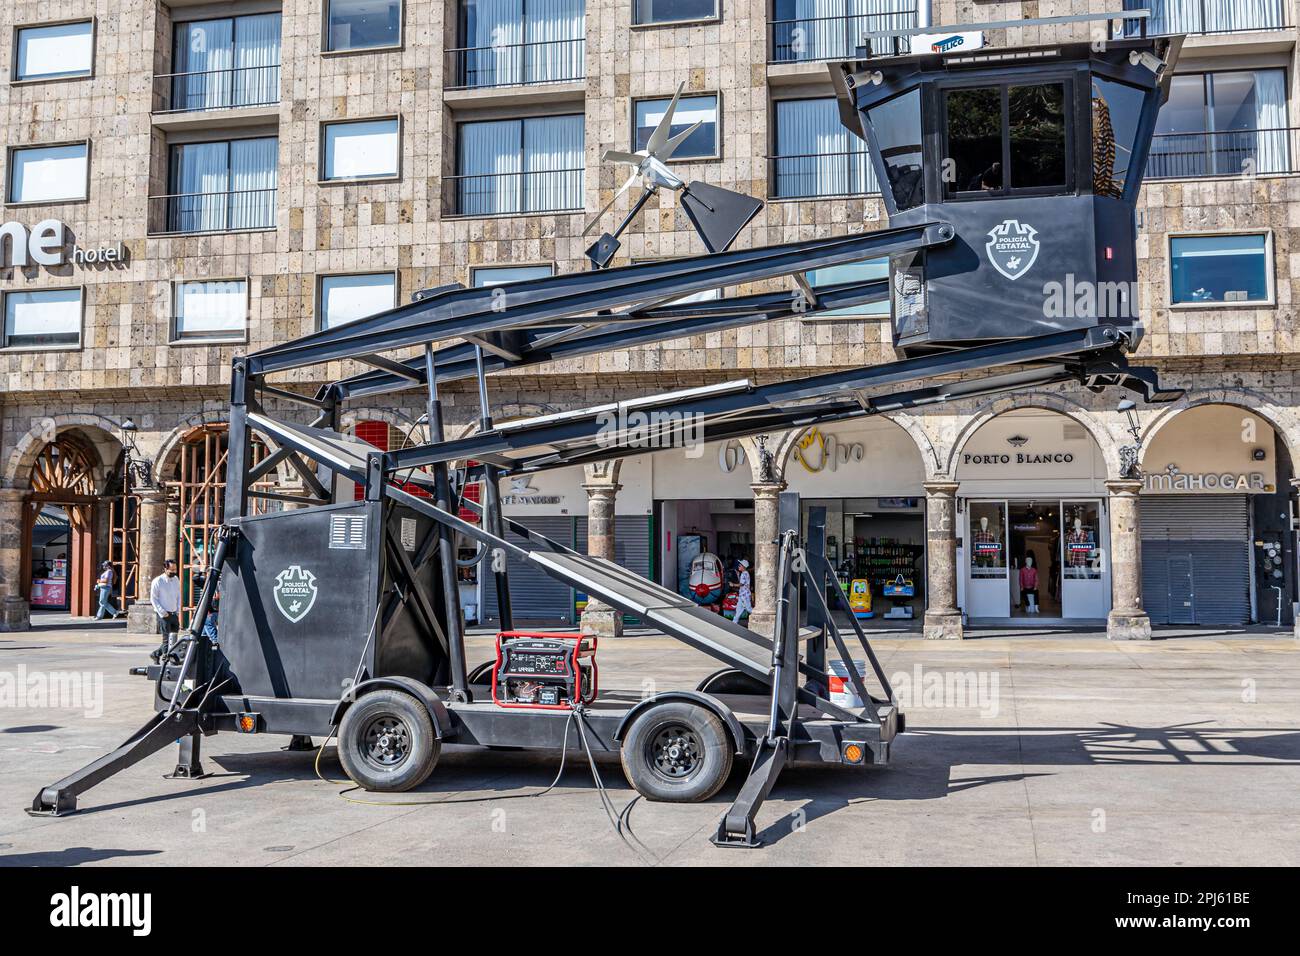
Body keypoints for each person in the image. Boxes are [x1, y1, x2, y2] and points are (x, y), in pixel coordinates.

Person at [149, 559, 182, 663]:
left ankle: (155, 654)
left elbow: (178, 596)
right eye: (171, 569)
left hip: (173, 613)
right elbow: (153, 598)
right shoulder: (158, 581)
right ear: (165, 568)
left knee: (174, 638)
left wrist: (177, 610)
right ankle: (166, 658)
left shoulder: (176, 579)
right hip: (164, 614)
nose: (173, 571)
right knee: (166, 639)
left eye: (175, 569)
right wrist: (162, 612)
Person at [733, 558, 753, 624]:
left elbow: (741, 584)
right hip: (743, 595)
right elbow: (742, 583)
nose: (738, 566)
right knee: (738, 610)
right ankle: (734, 623)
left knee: (749, 609)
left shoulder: (744, 574)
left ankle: (759, 617)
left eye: (739, 565)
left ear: (743, 567)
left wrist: (733, 584)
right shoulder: (745, 573)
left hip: (745, 595)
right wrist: (738, 575)